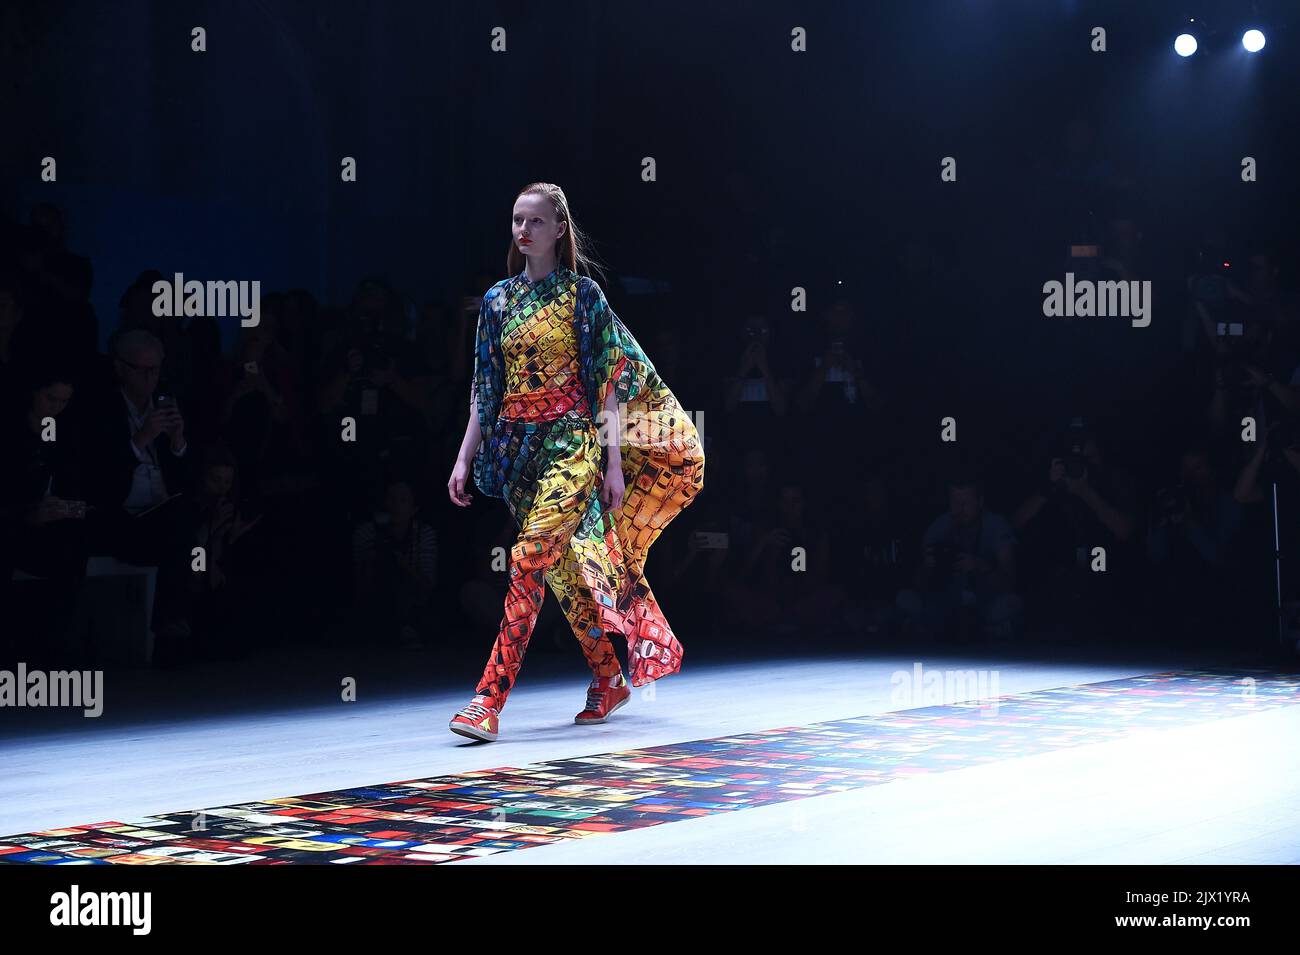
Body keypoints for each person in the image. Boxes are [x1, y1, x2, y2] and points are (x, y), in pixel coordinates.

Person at [445, 182, 705, 742]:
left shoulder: (584, 296)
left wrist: (612, 463)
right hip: (519, 453)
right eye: (517, 220)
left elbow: (609, 384)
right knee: (560, 571)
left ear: (560, 229)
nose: (523, 230)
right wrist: (464, 459)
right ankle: (608, 677)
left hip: (573, 443)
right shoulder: (496, 301)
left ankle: (487, 699)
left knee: (531, 554)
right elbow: (484, 390)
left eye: (535, 221)